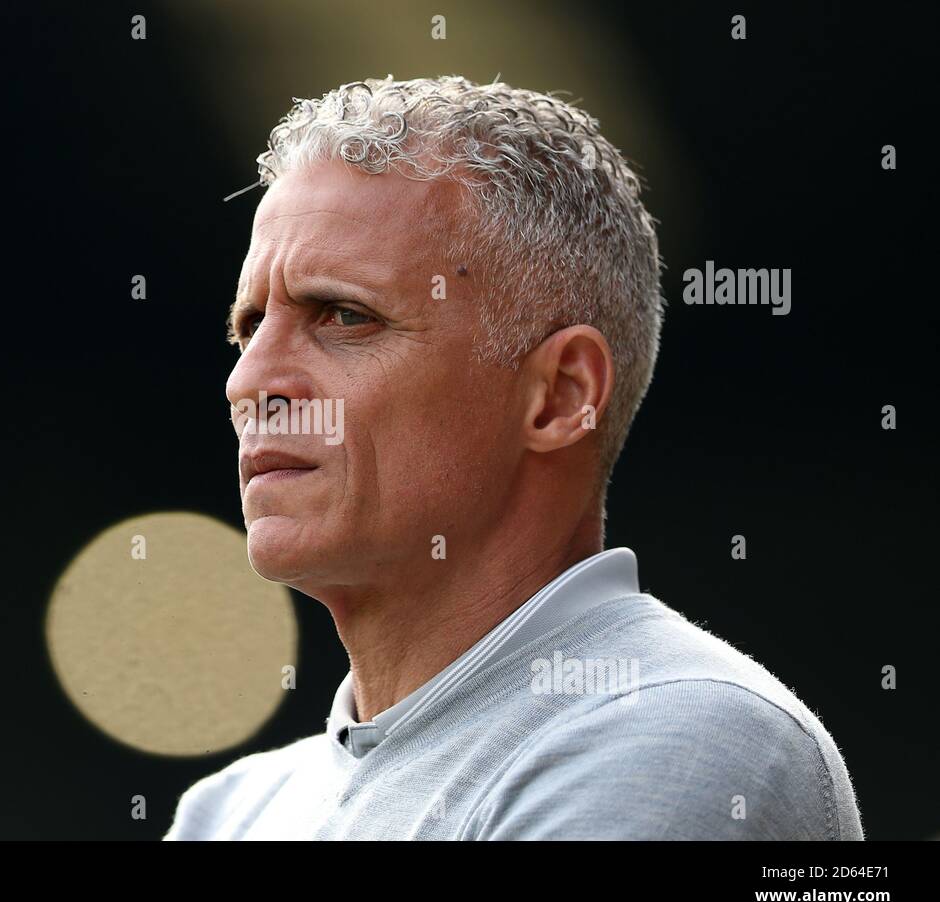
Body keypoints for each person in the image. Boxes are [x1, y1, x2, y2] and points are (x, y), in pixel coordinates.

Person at [164, 76, 862, 840]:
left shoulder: (682, 734)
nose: (250, 381)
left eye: (345, 316)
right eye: (250, 324)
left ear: (560, 396)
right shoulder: (228, 812)